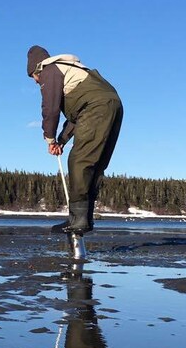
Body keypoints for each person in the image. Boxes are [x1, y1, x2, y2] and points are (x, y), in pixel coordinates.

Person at [27, 45, 123, 235]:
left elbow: (50, 108)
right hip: (112, 105)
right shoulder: (71, 71)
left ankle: (78, 219)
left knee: (79, 160)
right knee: (95, 164)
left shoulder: (49, 70)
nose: (36, 83)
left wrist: (49, 138)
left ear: (36, 69)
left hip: (97, 106)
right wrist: (61, 141)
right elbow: (76, 118)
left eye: (34, 78)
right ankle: (83, 218)